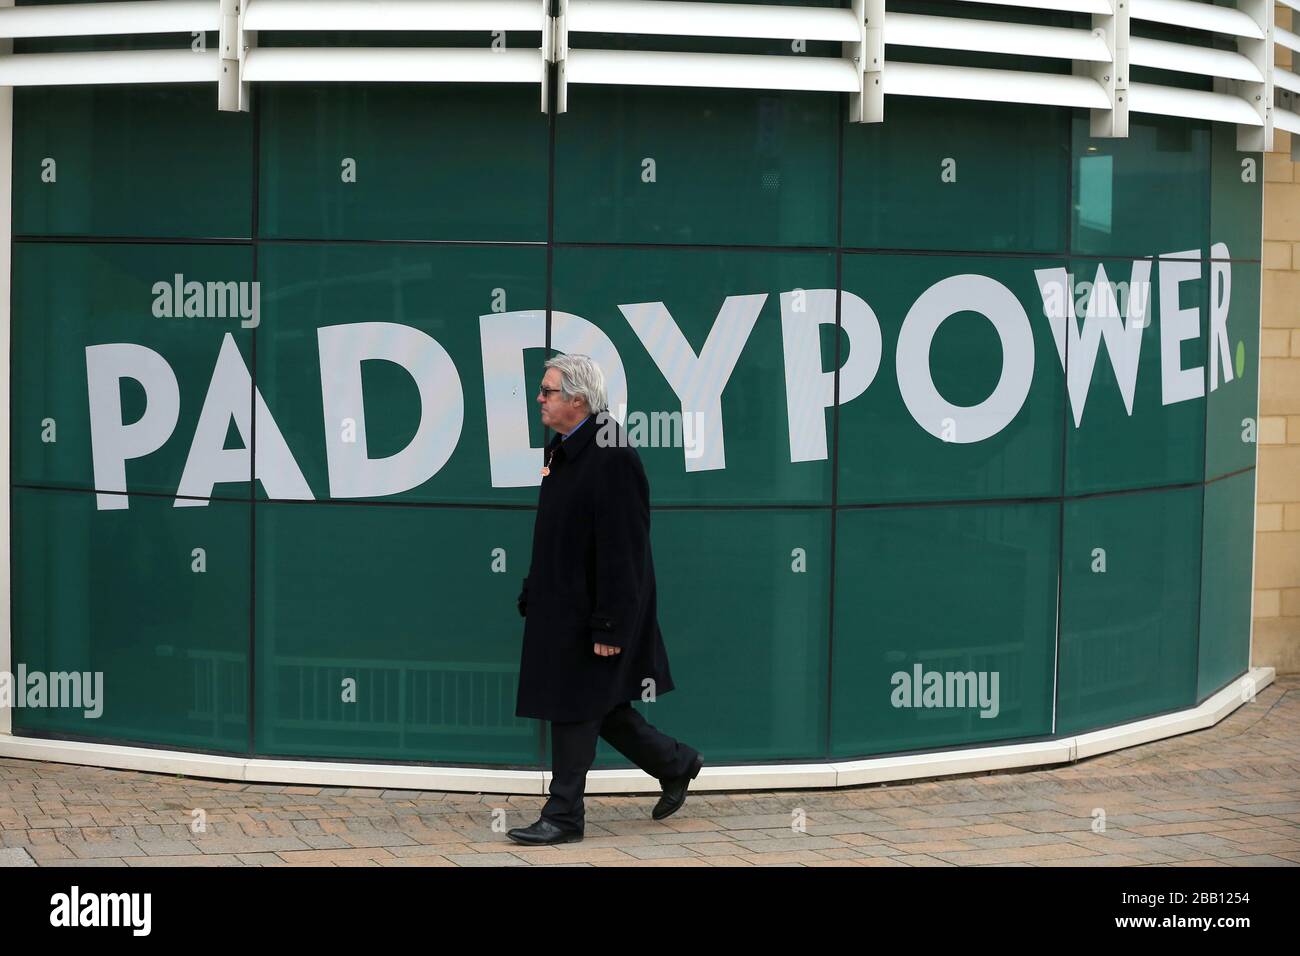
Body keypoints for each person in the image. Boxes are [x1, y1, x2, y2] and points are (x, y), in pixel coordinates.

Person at [508, 354, 703, 846]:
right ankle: (677, 763)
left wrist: (611, 626)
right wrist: (535, 588)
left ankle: (565, 815)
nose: (539, 398)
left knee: (574, 707)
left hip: (594, 615)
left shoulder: (612, 454)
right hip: (563, 608)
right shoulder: (564, 449)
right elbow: (555, 533)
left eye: (547, 391)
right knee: (600, 708)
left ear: (577, 400)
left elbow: (625, 550)